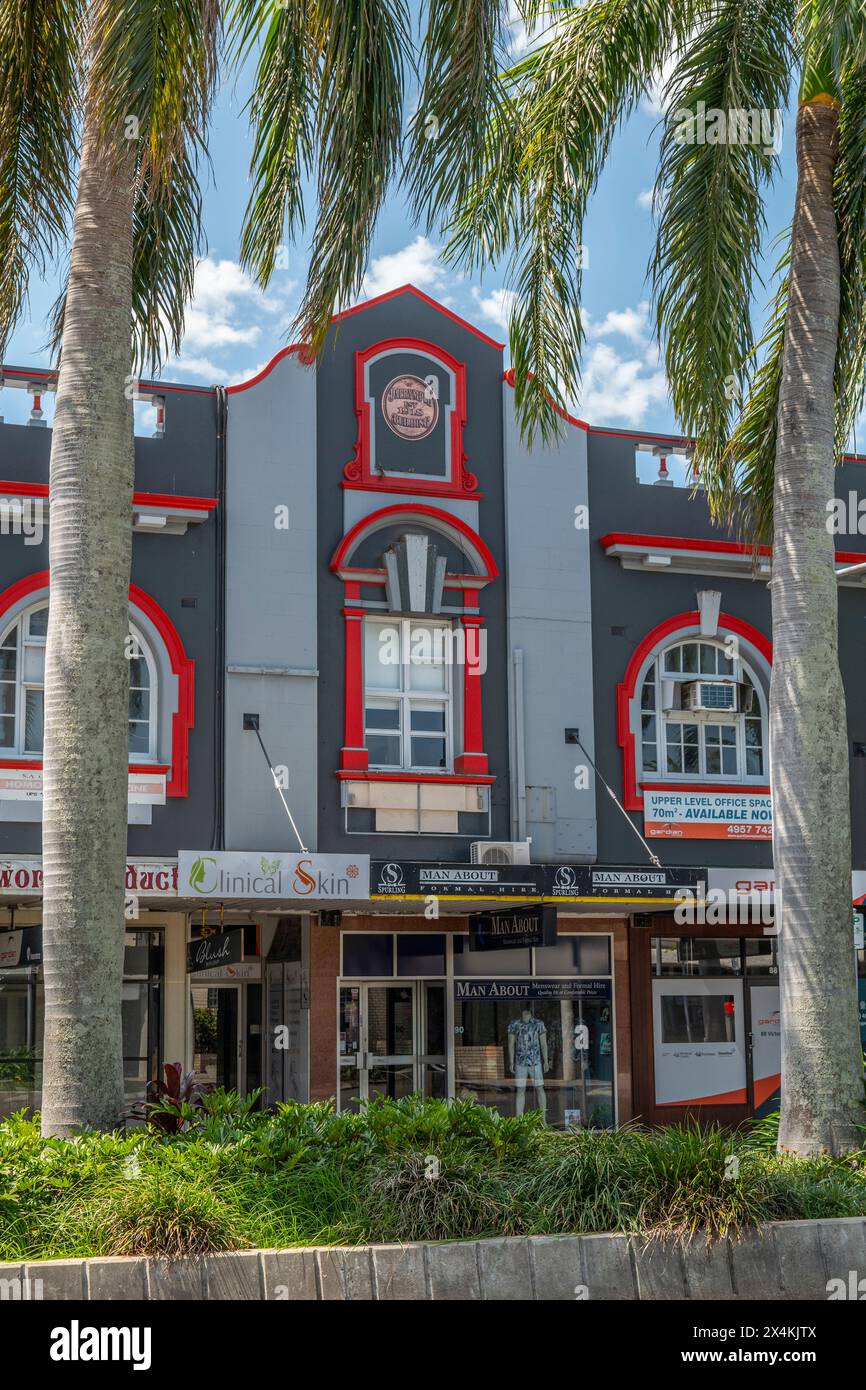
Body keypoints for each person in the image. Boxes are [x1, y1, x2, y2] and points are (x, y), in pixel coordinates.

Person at [507, 1008, 548, 1120]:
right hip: (520, 1063)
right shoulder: (514, 1024)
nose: (526, 1013)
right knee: (520, 1090)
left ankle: (543, 1119)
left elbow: (543, 1044)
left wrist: (546, 1060)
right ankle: (519, 1120)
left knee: (540, 1088)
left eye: (528, 1012)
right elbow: (511, 1044)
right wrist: (511, 1062)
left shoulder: (539, 1024)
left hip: (536, 1062)